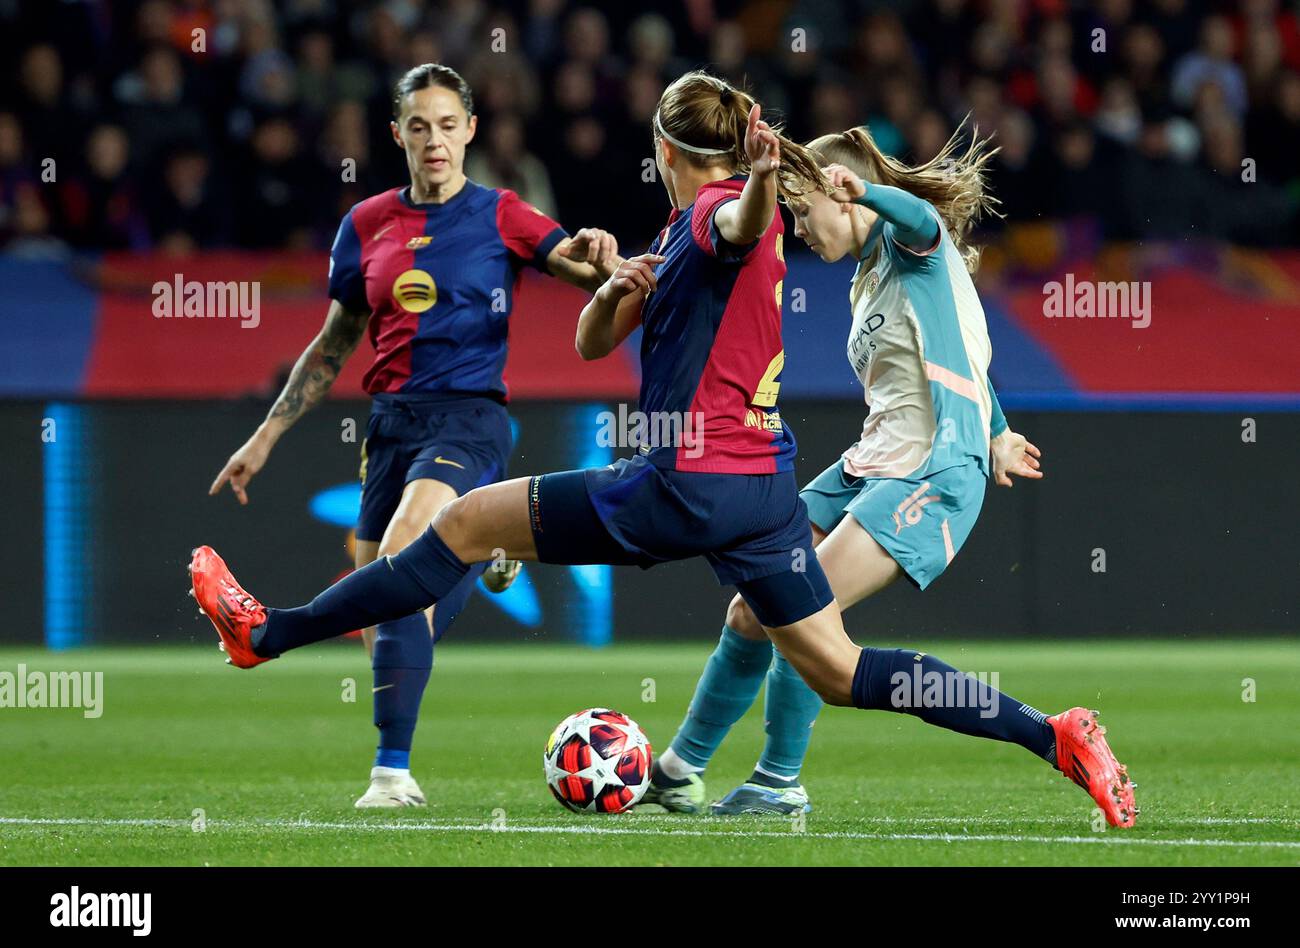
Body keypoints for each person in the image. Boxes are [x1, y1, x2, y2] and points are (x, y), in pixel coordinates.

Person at [190, 71, 1136, 828]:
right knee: (836, 669)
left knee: (466, 523)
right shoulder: (681, 230)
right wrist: (616, 284)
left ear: (662, 150)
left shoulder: (723, 213)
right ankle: (1053, 735)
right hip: (761, 491)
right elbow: (594, 343)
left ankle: (267, 632)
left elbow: (745, 222)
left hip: (685, 480)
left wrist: (765, 179)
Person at [206, 63, 622, 808]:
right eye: (419, 126)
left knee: (402, 556)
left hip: (469, 418)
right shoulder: (365, 225)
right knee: (387, 604)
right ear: (398, 134)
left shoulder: (502, 213)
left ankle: (390, 774)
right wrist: (266, 435)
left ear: (470, 130)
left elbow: (583, 272)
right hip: (389, 426)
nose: (435, 140)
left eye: (448, 124)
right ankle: (489, 551)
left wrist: (605, 263)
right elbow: (335, 341)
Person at [644, 124, 1047, 816]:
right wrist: (1001, 428)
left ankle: (779, 780)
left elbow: (922, 219)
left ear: (845, 194)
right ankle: (679, 770)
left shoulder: (908, 244)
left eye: (804, 210)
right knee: (753, 604)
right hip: (872, 462)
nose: (797, 227)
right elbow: (957, 353)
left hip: (932, 470)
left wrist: (876, 195)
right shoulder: (867, 279)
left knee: (802, 605)